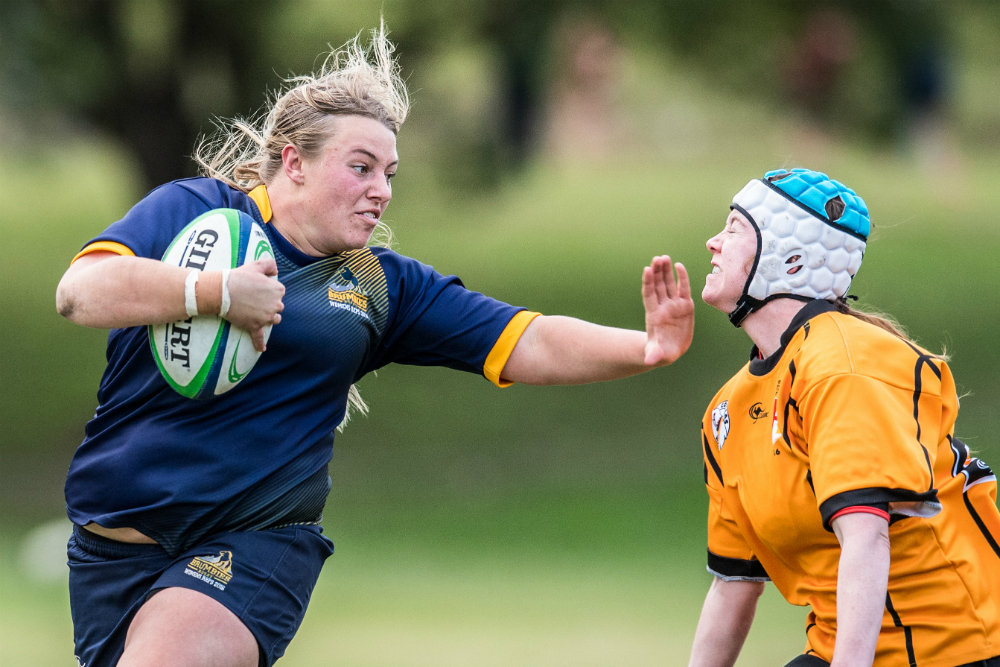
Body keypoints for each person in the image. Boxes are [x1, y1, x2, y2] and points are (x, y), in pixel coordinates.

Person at [54, 25, 695, 667]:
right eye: (360, 168)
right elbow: (80, 293)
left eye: (389, 174)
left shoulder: (381, 285)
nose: (382, 190)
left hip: (252, 544)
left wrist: (647, 347)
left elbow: (530, 339)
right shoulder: (194, 213)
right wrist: (217, 293)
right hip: (108, 552)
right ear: (294, 162)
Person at [687, 167, 1000, 667]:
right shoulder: (727, 410)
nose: (713, 242)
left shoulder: (844, 365)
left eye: (734, 227)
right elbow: (733, 585)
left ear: (791, 258)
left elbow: (866, 537)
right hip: (843, 646)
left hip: (954, 649)